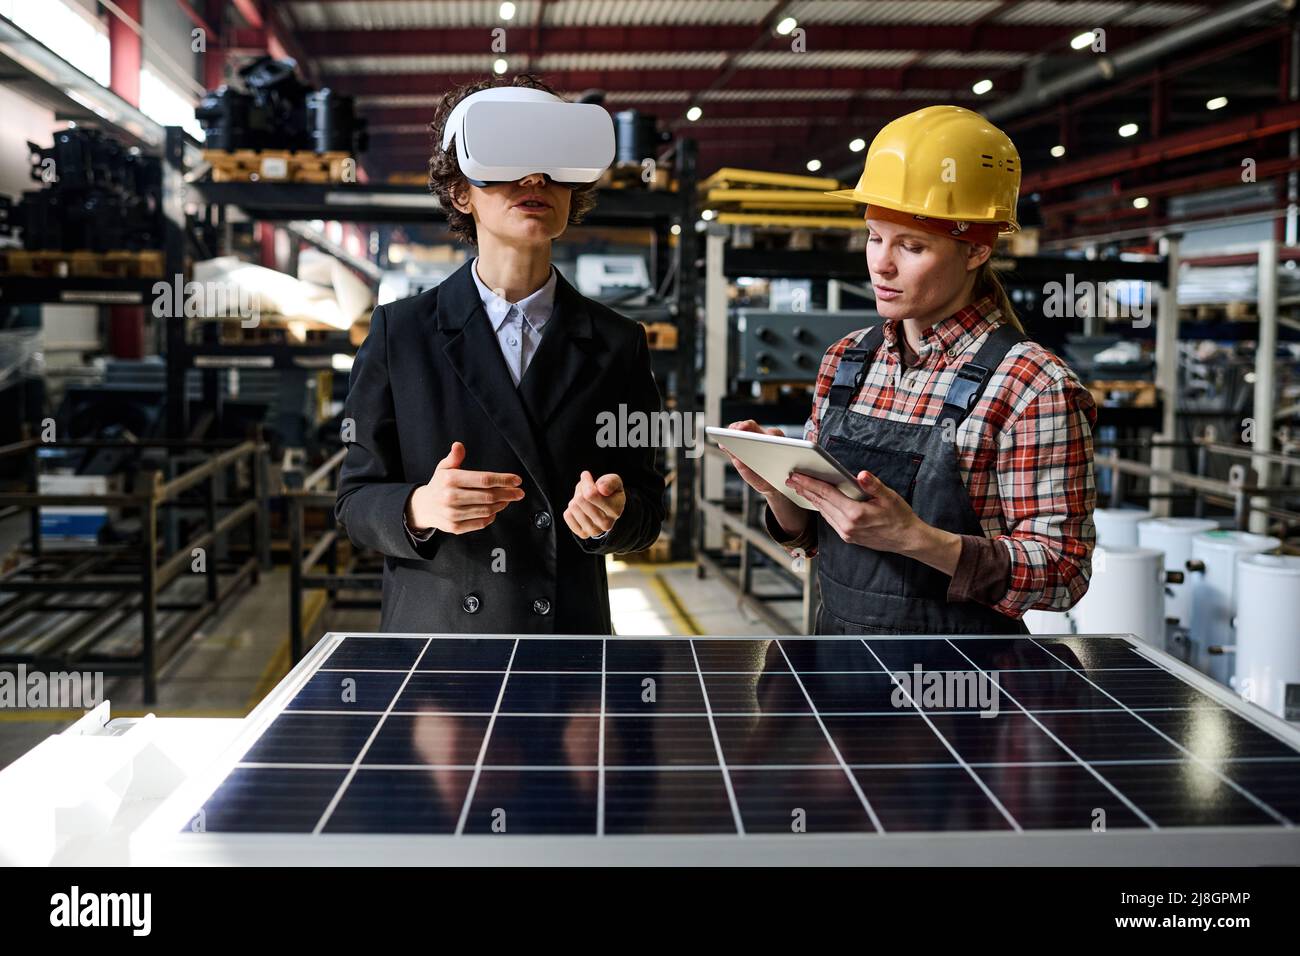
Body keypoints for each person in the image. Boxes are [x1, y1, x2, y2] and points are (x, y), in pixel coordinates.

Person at [722, 105, 1096, 635]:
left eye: (911, 245)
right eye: (875, 237)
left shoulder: (1032, 385)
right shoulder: (847, 360)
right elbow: (817, 536)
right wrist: (778, 490)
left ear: (976, 249)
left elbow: (1063, 572)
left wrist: (915, 538)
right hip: (841, 662)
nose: (881, 263)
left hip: (962, 675)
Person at [335, 74, 665, 634]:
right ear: (460, 192)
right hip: (439, 642)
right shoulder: (401, 335)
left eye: (552, 164)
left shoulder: (618, 342)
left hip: (566, 640)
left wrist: (613, 516)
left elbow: (649, 510)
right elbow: (354, 502)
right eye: (508, 159)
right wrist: (419, 508)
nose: (535, 178)